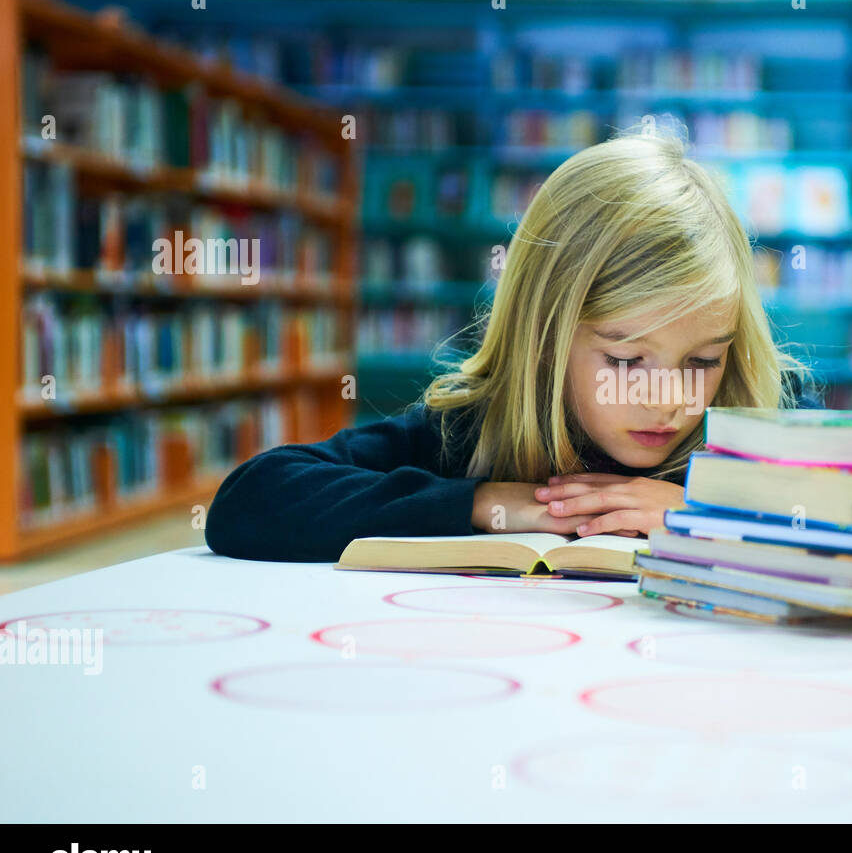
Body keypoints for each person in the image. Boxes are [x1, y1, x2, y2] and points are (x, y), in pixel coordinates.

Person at [205, 122, 817, 562]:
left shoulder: (771, 416)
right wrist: (485, 503)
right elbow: (250, 502)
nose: (668, 400)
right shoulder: (474, 430)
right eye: (627, 359)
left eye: (703, 360)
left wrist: (711, 510)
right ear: (546, 337)